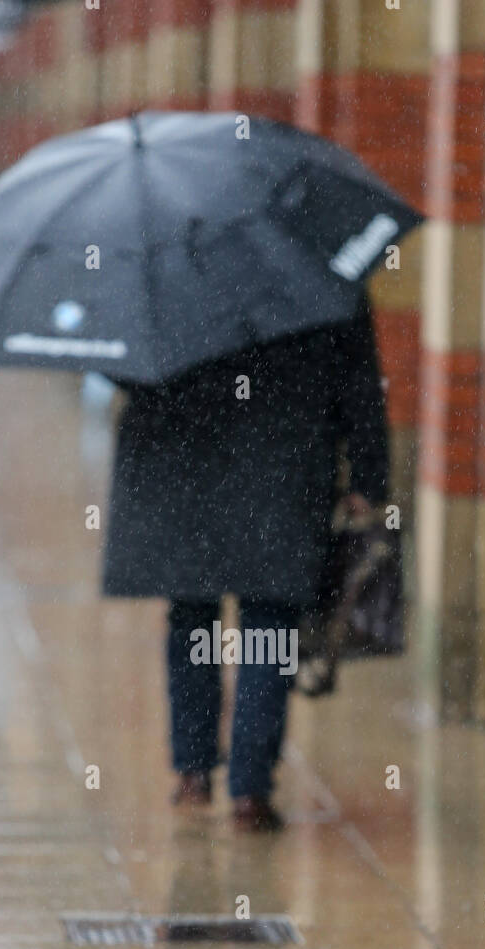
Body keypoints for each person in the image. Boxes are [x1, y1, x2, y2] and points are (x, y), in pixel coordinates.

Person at [102, 298, 390, 831]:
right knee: (269, 621)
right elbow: (357, 373)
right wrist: (369, 474)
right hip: (285, 457)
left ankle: (192, 771)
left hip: (185, 454)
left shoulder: (168, 242)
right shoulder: (314, 249)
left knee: (192, 614)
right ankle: (250, 791)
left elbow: (123, 361)